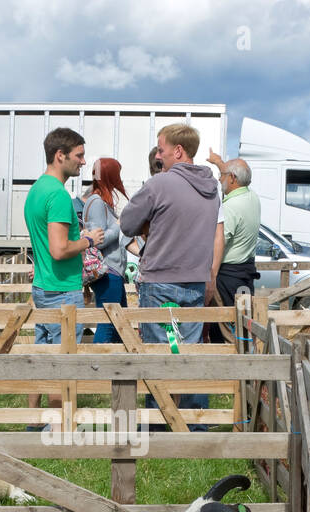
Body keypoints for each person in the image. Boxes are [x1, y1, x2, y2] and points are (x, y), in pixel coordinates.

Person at [120, 123, 220, 431]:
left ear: (178, 150)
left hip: (160, 280)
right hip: (194, 282)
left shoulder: (159, 184)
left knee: (161, 354)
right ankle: (194, 424)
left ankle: (160, 425)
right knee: (186, 353)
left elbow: (126, 224)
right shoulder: (212, 188)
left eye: (161, 149)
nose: (158, 155)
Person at [22, 127, 104, 422]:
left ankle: (33, 420)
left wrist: (76, 237)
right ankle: (56, 430)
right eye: (79, 156)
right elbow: (58, 249)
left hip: (43, 286)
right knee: (63, 362)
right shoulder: (58, 196)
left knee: (42, 357)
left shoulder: (37, 190)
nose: (83, 162)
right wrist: (89, 240)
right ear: (60, 156)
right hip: (62, 290)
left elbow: (48, 243)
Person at [78, 158, 131, 343]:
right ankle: (96, 368)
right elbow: (97, 241)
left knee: (119, 325)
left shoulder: (100, 202)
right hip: (108, 273)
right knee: (109, 324)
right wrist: (118, 226)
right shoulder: (97, 202)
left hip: (113, 273)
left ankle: (112, 368)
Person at [206, 158, 261, 307]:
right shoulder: (253, 197)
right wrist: (218, 162)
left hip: (228, 276)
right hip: (245, 272)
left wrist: (211, 276)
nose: (219, 178)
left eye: (222, 174)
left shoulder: (230, 207)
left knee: (223, 326)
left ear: (232, 178)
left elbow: (219, 242)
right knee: (241, 323)